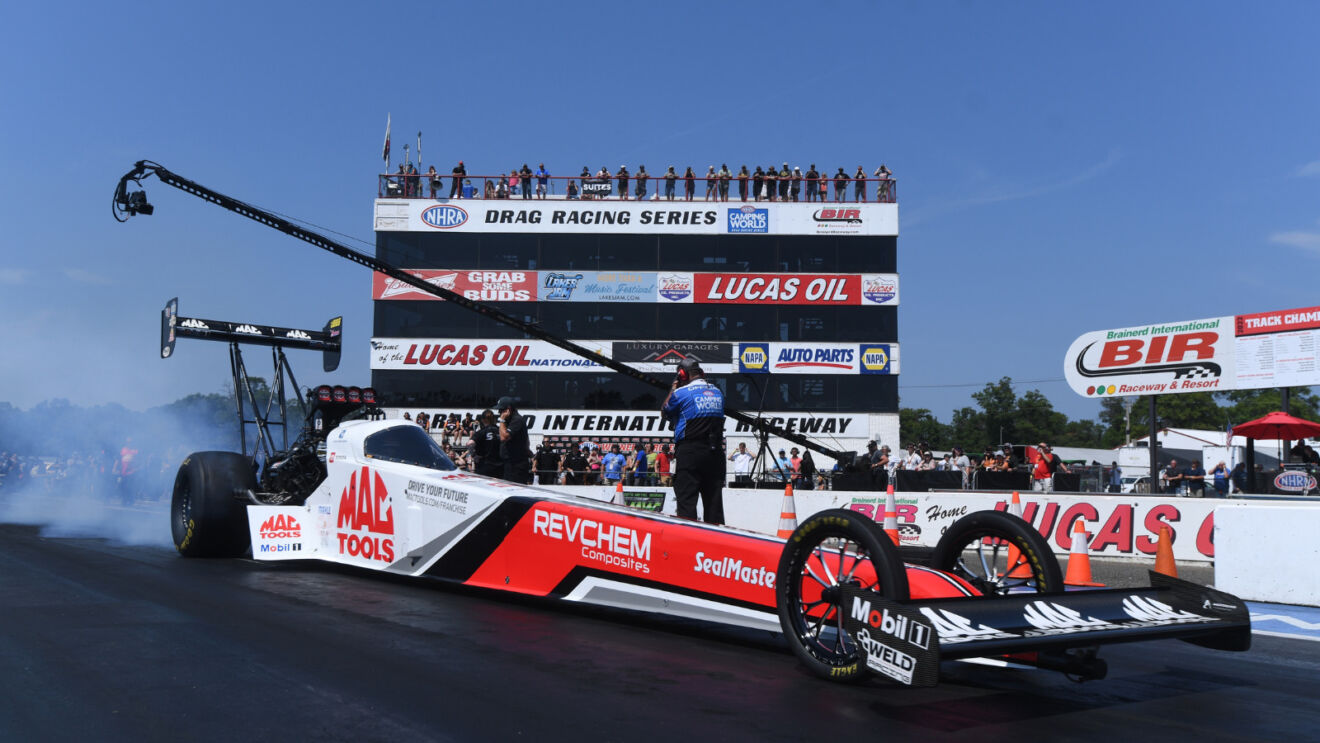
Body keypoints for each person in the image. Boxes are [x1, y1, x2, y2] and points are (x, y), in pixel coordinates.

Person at [661, 358, 725, 524]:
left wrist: (673, 388)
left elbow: (665, 411)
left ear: (682, 374)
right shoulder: (718, 392)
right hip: (715, 453)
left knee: (687, 501)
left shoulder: (680, 393)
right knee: (714, 504)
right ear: (701, 373)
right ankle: (716, 542)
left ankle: (688, 543)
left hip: (690, 452)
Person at [496, 397, 532, 484]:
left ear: (508, 409)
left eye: (501, 410)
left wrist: (502, 420)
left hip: (516, 465)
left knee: (514, 491)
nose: (499, 413)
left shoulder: (517, 420)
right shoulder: (510, 421)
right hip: (510, 463)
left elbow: (504, 437)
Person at [470, 409, 503, 478]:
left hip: (484, 465)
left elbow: (470, 443)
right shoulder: (501, 431)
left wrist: (473, 455)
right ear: (494, 419)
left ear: (482, 420)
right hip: (500, 466)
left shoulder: (482, 432)